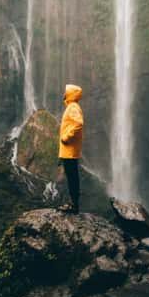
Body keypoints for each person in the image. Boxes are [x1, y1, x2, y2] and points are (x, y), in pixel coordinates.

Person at [58, 84, 84, 214]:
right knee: (72, 177)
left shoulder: (73, 107)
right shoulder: (71, 107)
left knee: (72, 177)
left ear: (70, 94)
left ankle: (74, 205)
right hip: (69, 150)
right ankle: (74, 204)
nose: (64, 93)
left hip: (70, 150)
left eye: (66, 92)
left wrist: (66, 137)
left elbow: (79, 123)